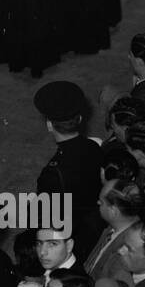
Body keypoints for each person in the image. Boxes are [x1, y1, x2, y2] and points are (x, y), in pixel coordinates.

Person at [33, 80, 105, 263]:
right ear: (80, 119)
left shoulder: (52, 173)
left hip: (72, 239)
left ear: (49, 125)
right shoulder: (93, 146)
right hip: (96, 225)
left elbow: (48, 220)